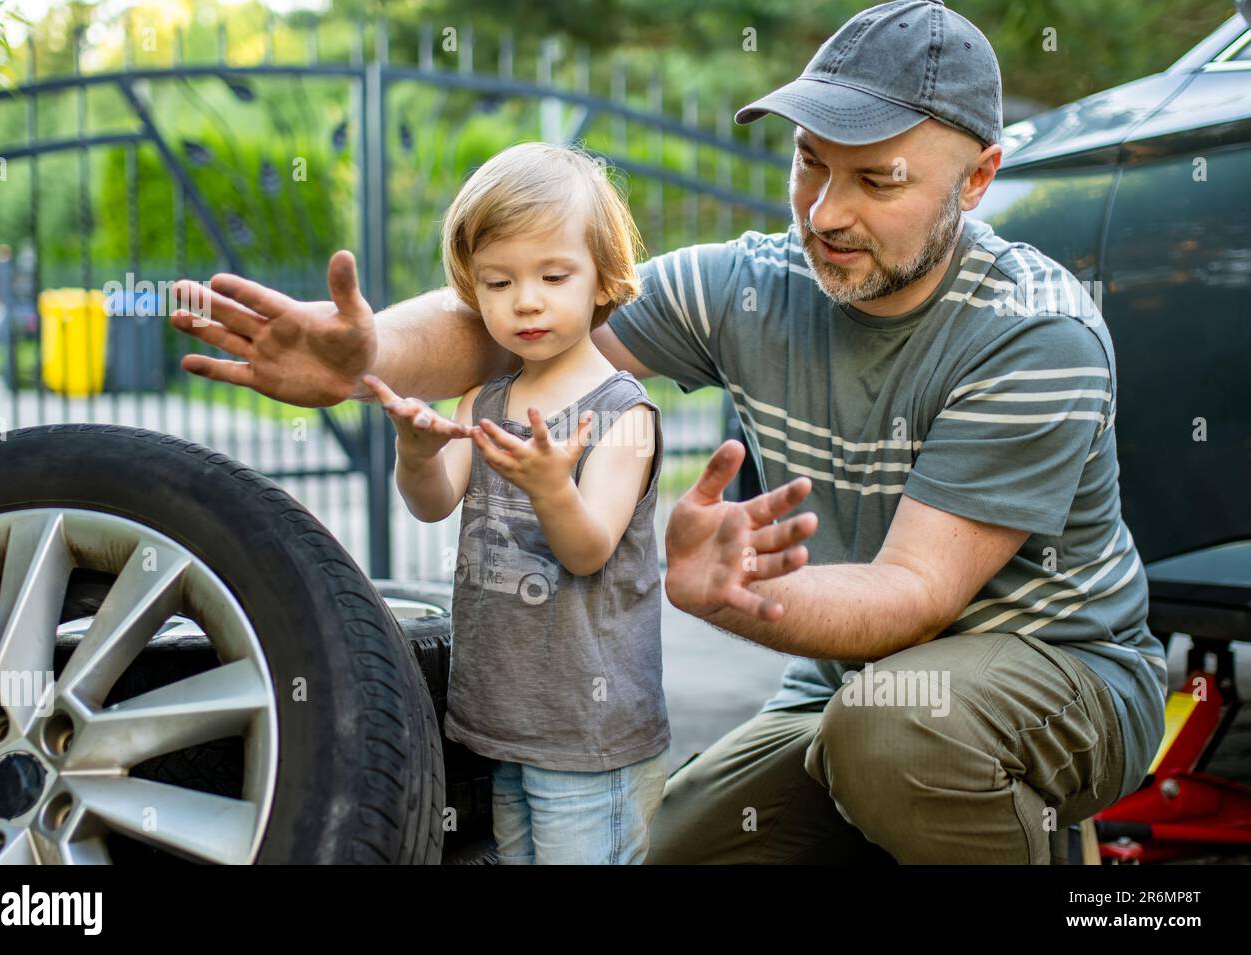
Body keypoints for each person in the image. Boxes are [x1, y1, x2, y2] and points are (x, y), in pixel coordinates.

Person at [170, 1, 1166, 864]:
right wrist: (366, 355)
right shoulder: (755, 282)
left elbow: (911, 595)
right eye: (809, 165)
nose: (824, 212)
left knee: (892, 741)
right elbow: (533, 323)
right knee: (677, 843)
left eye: (877, 181)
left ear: (978, 178)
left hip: (1054, 668)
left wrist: (740, 596)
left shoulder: (1033, 336)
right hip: (848, 685)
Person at [363, 142, 691, 864]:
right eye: (498, 281)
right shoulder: (485, 397)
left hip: (590, 733)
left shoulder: (622, 415)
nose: (527, 300)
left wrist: (550, 486)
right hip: (504, 719)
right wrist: (416, 454)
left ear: (603, 277)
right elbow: (433, 501)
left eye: (553, 274)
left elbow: (589, 548)